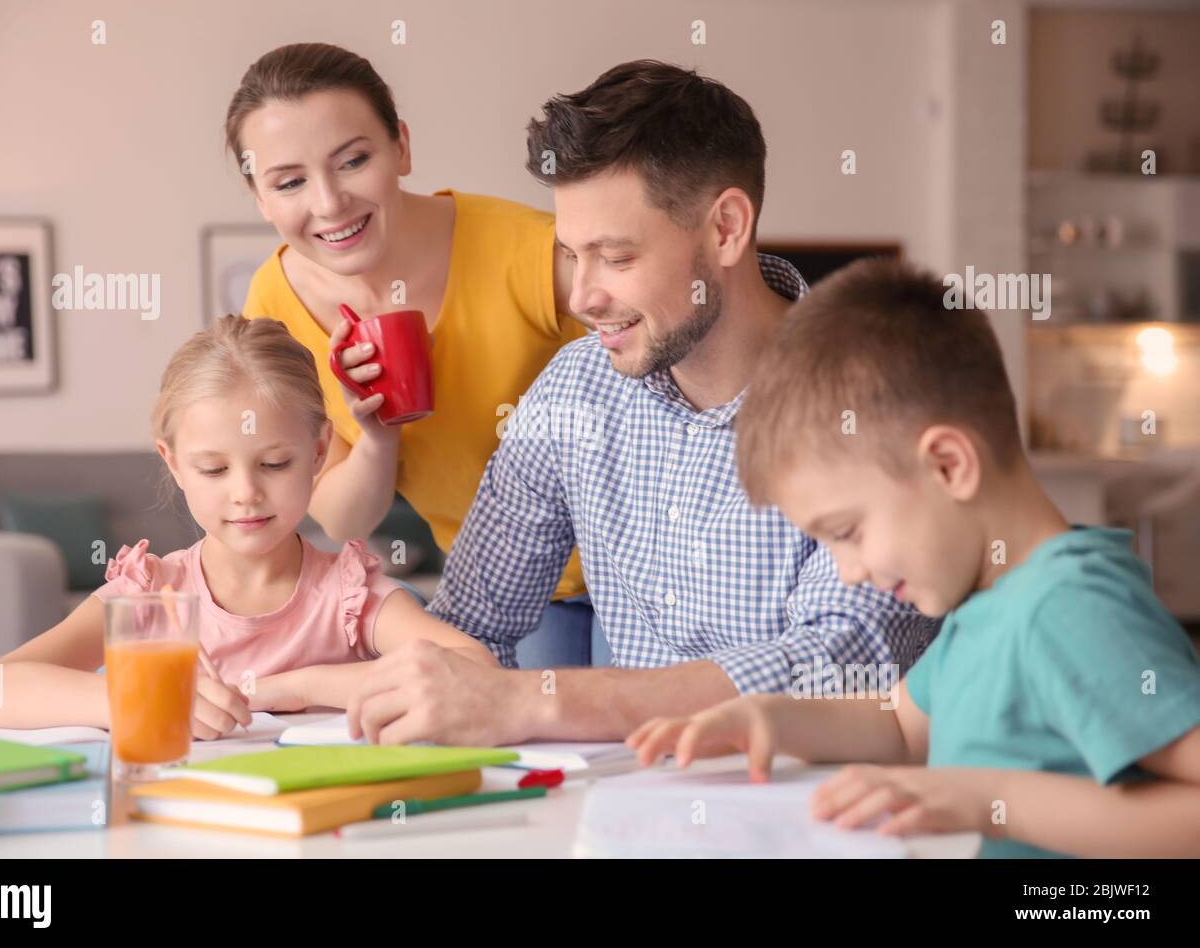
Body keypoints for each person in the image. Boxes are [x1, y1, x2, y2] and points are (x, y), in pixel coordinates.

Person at [344, 61, 937, 748]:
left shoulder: (867, 399)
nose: (581, 298)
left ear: (725, 229)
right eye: (572, 255)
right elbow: (468, 626)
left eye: (615, 257)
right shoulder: (576, 387)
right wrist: (267, 673)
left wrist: (542, 701)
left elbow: (843, 663)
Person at [629, 258, 1200, 858]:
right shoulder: (988, 603)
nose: (848, 571)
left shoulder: (1066, 609)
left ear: (949, 465)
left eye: (847, 531)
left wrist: (991, 800)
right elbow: (898, 726)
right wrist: (769, 718)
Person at [229, 42, 595, 666]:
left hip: (646, 569)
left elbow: (671, 359)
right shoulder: (274, 305)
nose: (329, 203)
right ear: (260, 197)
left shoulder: (529, 249)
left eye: (353, 161)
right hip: (507, 593)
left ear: (400, 146)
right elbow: (343, 519)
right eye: (289, 182)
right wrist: (375, 437)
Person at [0, 316, 498, 738]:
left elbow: (475, 668)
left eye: (274, 464)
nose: (246, 492)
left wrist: (299, 687)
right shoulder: (153, 595)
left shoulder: (347, 596)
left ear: (317, 453)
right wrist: (139, 696)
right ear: (172, 463)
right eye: (214, 469)